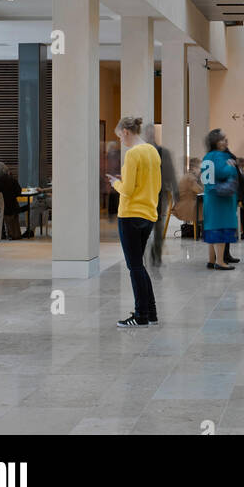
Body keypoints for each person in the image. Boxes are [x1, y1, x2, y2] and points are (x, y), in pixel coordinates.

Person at [109, 116, 161, 328]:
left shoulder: (133, 154)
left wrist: (115, 184)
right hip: (148, 213)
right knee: (138, 265)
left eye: (120, 136)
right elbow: (156, 186)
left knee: (135, 267)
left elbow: (128, 189)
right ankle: (151, 313)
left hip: (130, 214)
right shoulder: (152, 151)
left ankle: (141, 315)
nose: (121, 140)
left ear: (126, 132)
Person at [202, 128, 240, 269]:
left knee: (212, 230)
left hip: (210, 198)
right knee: (220, 230)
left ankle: (211, 260)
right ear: (215, 142)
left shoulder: (207, 156)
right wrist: (231, 167)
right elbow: (222, 172)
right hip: (220, 200)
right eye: (223, 140)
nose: (225, 142)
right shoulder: (219, 156)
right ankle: (220, 262)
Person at [143, 123, 178, 267]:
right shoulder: (140, 152)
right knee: (144, 225)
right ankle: (144, 255)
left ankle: (156, 255)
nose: (150, 135)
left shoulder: (163, 152)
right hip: (144, 195)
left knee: (158, 226)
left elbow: (170, 172)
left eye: (152, 132)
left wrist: (175, 191)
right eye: (148, 133)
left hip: (159, 193)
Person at [0, 161, 23, 240]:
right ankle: (14, 233)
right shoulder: (11, 180)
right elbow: (18, 192)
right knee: (14, 204)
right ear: (5, 170)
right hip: (11, 209)